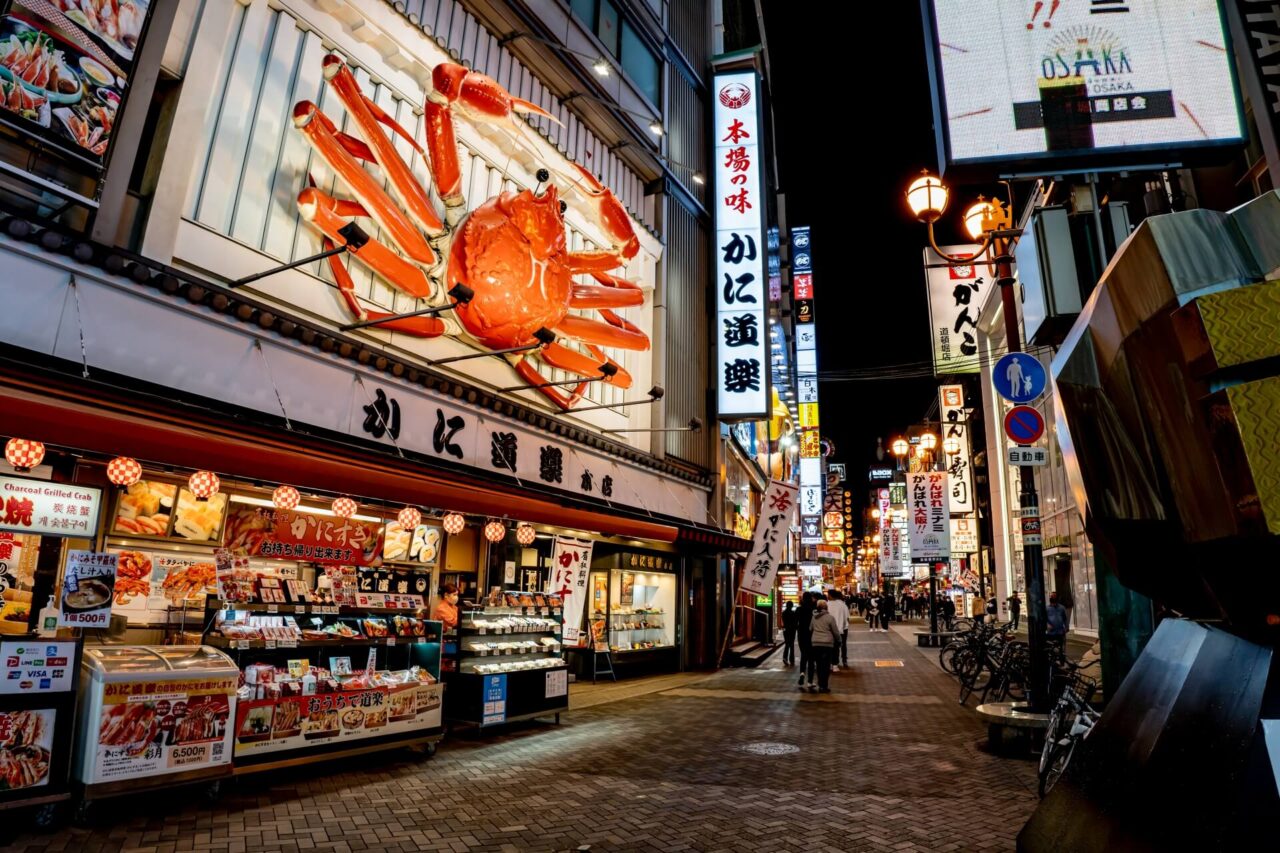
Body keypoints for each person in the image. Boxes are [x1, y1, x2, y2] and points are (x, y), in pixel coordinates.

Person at [807, 599, 840, 692]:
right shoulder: (830, 618)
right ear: (826, 607)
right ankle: (823, 686)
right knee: (825, 666)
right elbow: (835, 632)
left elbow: (810, 628)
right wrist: (839, 640)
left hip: (815, 643)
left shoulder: (814, 617)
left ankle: (820, 683)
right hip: (827, 644)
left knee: (818, 665)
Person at [827, 590, 850, 669]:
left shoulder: (827, 604)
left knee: (832, 646)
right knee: (843, 645)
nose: (827, 596)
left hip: (830, 630)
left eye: (828, 594)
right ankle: (844, 660)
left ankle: (832, 662)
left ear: (831, 595)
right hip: (842, 629)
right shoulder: (843, 605)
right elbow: (847, 617)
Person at [796, 592, 815, 687]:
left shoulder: (799, 609)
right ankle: (810, 681)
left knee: (804, 655)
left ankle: (802, 673)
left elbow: (795, 622)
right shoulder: (813, 609)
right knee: (811, 658)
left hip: (801, 635)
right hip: (812, 635)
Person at [781, 601, 798, 666]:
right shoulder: (793, 613)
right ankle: (792, 660)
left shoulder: (783, 613)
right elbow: (795, 622)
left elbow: (784, 621)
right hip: (792, 630)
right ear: (792, 606)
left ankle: (785, 658)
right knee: (792, 645)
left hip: (785, 630)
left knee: (787, 644)